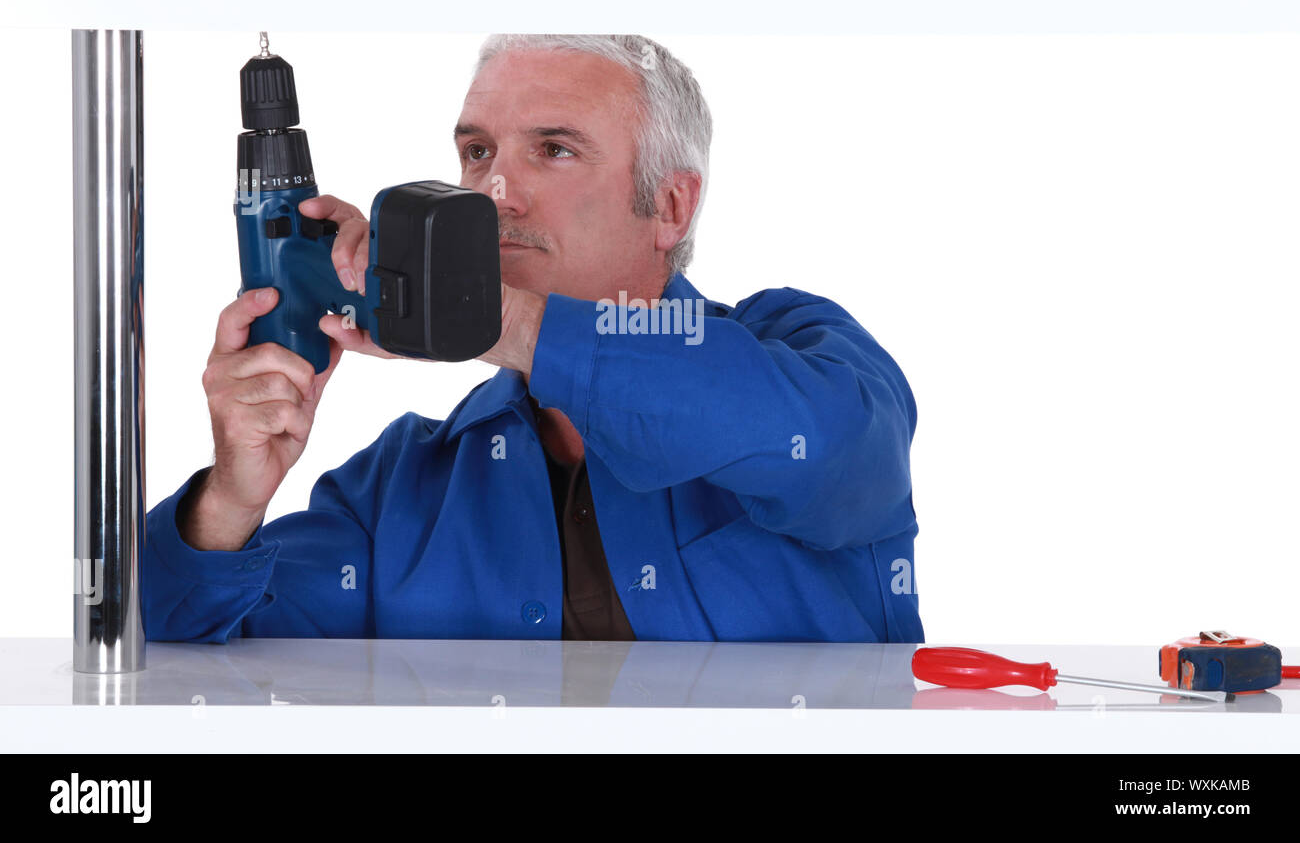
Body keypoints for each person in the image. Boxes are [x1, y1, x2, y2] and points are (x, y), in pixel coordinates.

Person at [143, 34, 923, 644]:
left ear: (671, 208)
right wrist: (229, 502)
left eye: (553, 149)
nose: (494, 193)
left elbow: (832, 450)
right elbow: (176, 671)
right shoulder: (399, 492)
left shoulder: (804, 352)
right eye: (477, 152)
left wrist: (497, 318)